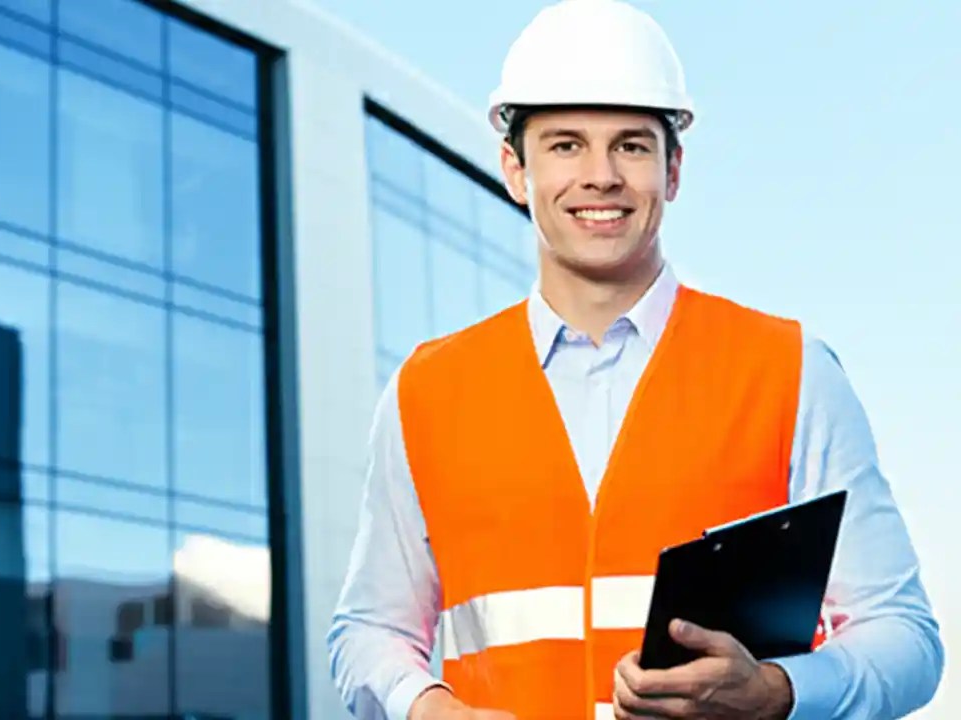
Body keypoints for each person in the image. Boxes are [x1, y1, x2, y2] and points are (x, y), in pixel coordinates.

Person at [326, 0, 945, 718]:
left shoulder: (790, 370)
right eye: (565, 145)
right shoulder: (427, 392)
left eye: (631, 146)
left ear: (673, 169)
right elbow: (368, 632)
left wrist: (778, 692)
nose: (601, 176)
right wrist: (428, 708)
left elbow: (905, 638)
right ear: (515, 170)